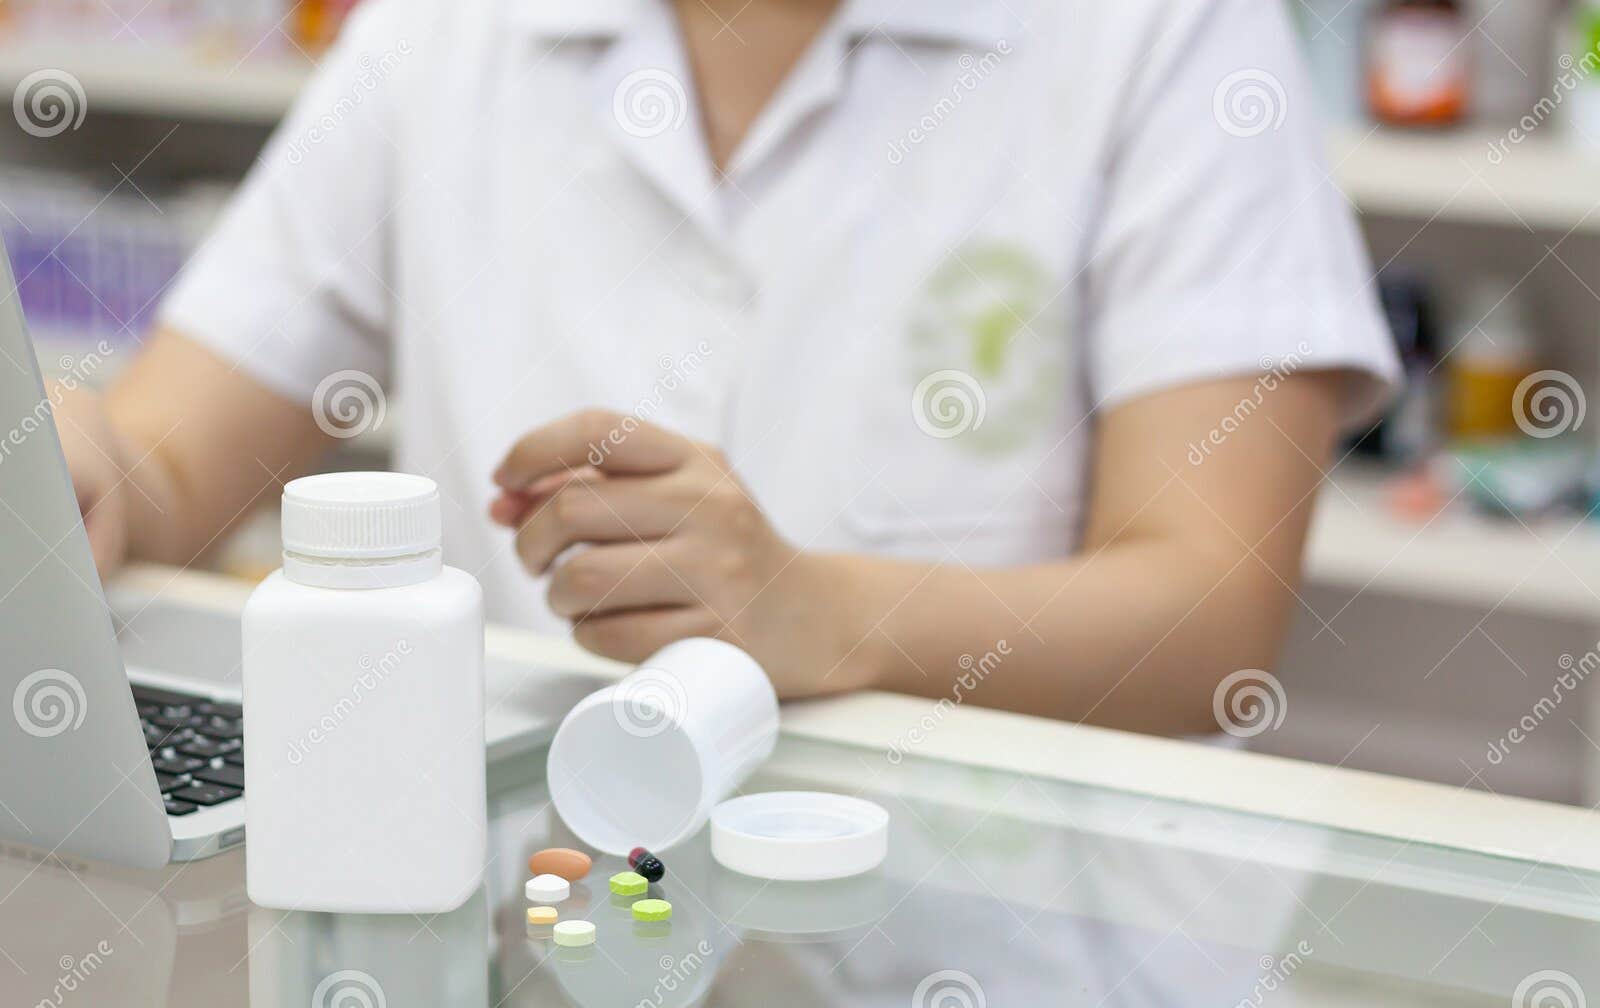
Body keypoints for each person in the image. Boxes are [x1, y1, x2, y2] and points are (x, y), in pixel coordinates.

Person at [53, 0, 1397, 734]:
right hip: (529, 943)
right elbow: (170, 462)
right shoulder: (441, 32)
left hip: (1011, 997)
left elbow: (1211, 620)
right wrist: (82, 465)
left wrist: (823, 612)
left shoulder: (1168, 32)